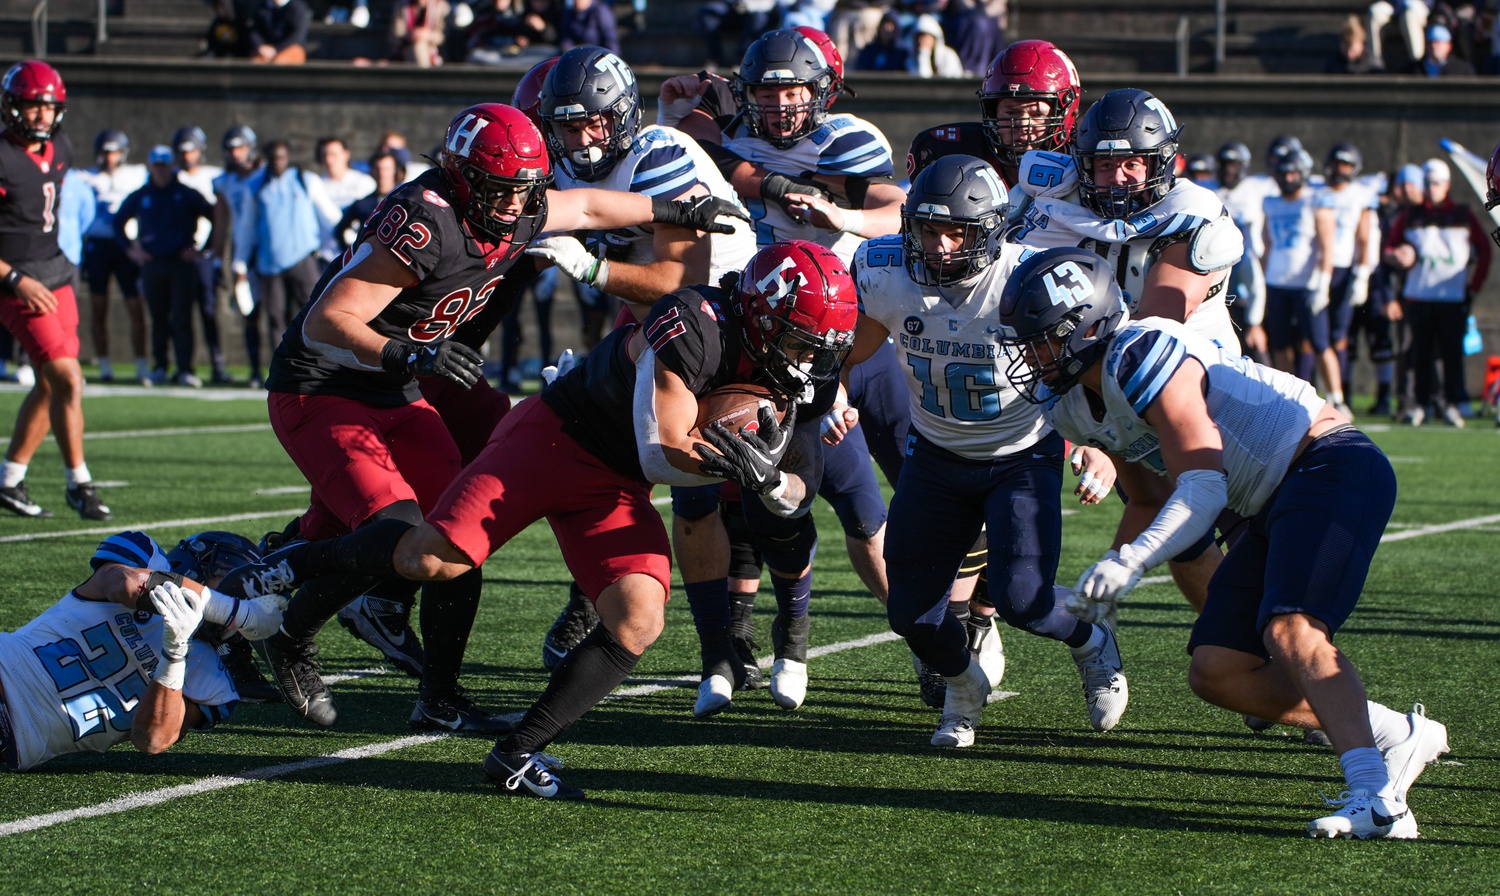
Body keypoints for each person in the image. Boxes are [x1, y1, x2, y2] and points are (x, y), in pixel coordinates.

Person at [223, 239, 855, 800]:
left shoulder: (806, 370)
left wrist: (772, 482)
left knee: (638, 618)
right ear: (763, 317)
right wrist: (743, 473)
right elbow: (659, 449)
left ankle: (515, 754)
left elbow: (800, 483)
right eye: (800, 341)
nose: (808, 360)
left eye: (820, 346)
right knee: (433, 559)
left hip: (613, 482)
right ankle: (283, 567)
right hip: (556, 440)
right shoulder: (694, 323)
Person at [235, 102, 747, 733]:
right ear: (459, 175)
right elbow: (326, 322)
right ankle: (290, 631)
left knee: (453, 536)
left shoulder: (519, 199)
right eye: (499, 190)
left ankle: (439, 694)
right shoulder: (426, 221)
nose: (513, 205)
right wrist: (406, 350)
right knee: (396, 531)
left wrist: (678, 211)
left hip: (395, 388)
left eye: (523, 190)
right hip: (324, 388)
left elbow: (588, 207)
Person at [996, 245, 1451, 839]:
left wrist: (1133, 560)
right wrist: (1111, 564)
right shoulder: (1073, 407)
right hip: (1270, 499)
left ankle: (1376, 798)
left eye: (1039, 339)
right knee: (1218, 671)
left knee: (1291, 629)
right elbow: (1150, 498)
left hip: (1328, 464)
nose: (1027, 356)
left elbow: (1204, 487)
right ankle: (1394, 734)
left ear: (1083, 327)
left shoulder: (1141, 354)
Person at [838, 155, 1127, 746]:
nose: (941, 247)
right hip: (936, 455)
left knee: (1023, 600)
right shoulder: (886, 270)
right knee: (910, 614)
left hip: (1021, 453)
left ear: (991, 230)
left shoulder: (1027, 278)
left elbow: (1089, 364)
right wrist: (836, 393)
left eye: (958, 232)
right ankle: (965, 689)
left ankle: (1092, 640)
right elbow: (854, 352)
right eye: (928, 229)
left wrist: (1100, 446)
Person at [1007, 87, 1245, 613]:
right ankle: (1234, 637)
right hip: (1097, 381)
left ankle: (1265, 648)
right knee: (1182, 535)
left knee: (1248, 536)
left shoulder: (1192, 214)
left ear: (1161, 161)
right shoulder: (1052, 202)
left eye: (1133, 163)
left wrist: (1101, 430)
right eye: (1104, 163)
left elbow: (1155, 334)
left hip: (1204, 390)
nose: (1117, 178)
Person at [0, 530, 285, 771]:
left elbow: (153, 740)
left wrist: (174, 655)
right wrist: (235, 611)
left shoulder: (216, 681)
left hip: (15, 738)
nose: (229, 589)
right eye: (223, 575)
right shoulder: (143, 556)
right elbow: (122, 581)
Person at [0, 61, 110, 522]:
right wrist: (13, 279)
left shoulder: (59, 146)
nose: (42, 115)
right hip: (16, 279)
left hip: (56, 272)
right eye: (33, 104)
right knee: (67, 377)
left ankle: (8, 480)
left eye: (49, 105)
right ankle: (79, 482)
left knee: (52, 381)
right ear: (13, 106)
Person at [1383, 157, 1490, 426]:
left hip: (1452, 297)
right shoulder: (1411, 216)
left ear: (1447, 185)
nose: (1432, 188)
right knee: (1420, 353)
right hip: (1418, 296)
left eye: (1437, 183)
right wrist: (1397, 256)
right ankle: (1420, 404)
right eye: (1428, 183)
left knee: (1451, 353)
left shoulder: (1463, 215)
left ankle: (1452, 403)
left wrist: (1472, 288)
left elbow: (1485, 251)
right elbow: (1388, 249)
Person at [906, 40, 1082, 196]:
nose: (1022, 125)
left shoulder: (1085, 166)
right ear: (993, 113)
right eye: (1011, 113)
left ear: (1065, 113)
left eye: (1036, 114)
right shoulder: (961, 155)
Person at [232, 140, 340, 378]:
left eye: (281, 158)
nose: (277, 163)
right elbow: (246, 227)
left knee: (313, 314)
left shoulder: (305, 180)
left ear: (288, 158)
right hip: (269, 265)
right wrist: (239, 262)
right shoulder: (255, 186)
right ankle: (283, 372)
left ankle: (318, 369)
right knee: (275, 319)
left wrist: (344, 244)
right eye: (273, 158)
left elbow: (330, 217)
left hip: (303, 260)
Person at [114, 146, 218, 389]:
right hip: (153, 264)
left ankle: (185, 369)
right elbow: (118, 222)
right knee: (158, 317)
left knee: (182, 317)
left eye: (165, 165)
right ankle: (160, 366)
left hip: (181, 264)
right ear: (151, 167)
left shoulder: (186, 193)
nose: (161, 170)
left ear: (172, 166)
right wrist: (132, 250)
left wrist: (201, 250)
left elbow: (214, 216)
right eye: (157, 165)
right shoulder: (142, 194)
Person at [1260, 146, 1349, 413]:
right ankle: (1285, 396)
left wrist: (1322, 284)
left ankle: (1337, 397)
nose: (1288, 178)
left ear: (1303, 174)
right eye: (1284, 173)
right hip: (1277, 282)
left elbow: (1326, 247)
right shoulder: (1271, 202)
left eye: (1293, 173)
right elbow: (1267, 245)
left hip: (1308, 284)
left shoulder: (1317, 199)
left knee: (1320, 342)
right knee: (1280, 343)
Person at [77, 129, 149, 386]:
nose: (109, 158)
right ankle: (104, 363)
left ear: (123, 153)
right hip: (98, 245)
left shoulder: (137, 175)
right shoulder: (85, 177)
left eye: (114, 152)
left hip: (127, 247)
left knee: (135, 306)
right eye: (106, 152)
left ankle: (142, 364)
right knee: (98, 307)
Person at [1317, 143, 1380, 409]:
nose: (1340, 170)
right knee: (1312, 338)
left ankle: (1341, 393)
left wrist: (1362, 273)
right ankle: (1318, 392)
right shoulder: (1316, 192)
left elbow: (1365, 238)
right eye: (1338, 164)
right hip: (1318, 271)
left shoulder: (1360, 195)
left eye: (1346, 165)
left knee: (1339, 336)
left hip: (1344, 268)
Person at [172, 126, 229, 385]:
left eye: (191, 150)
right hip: (180, 257)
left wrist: (208, 249)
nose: (186, 156)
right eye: (182, 151)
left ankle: (217, 365)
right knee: (180, 314)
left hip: (206, 255)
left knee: (209, 312)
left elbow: (219, 218)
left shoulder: (214, 178)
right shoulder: (170, 179)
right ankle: (184, 366)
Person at [211, 125, 264, 386]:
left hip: (266, 249)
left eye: (240, 148)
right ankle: (255, 370)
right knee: (249, 311)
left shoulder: (265, 176)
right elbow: (221, 223)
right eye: (231, 149)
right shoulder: (225, 182)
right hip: (242, 252)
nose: (235, 153)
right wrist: (219, 258)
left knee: (282, 313)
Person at [335, 150, 404, 251]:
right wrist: (352, 254)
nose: (382, 173)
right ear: (371, 171)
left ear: (395, 171)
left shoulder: (406, 199)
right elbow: (339, 230)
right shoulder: (362, 204)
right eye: (378, 169)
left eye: (386, 169)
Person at [315, 137, 377, 222]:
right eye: (325, 155)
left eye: (334, 154)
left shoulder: (365, 183)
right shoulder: (316, 185)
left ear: (346, 154)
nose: (329, 160)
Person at [250, 0, 311, 64]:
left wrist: (276, 49)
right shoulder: (262, 6)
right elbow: (254, 31)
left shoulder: (298, 7)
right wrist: (260, 46)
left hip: (289, 47)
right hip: (266, 48)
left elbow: (297, 35)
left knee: (280, 63)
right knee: (257, 63)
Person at [1406, 22, 1476, 76]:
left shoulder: (1463, 70)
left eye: (1438, 42)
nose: (1433, 46)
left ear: (1448, 46)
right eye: (1430, 42)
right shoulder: (1412, 70)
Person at [907, 14, 964, 79]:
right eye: (918, 36)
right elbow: (922, 84)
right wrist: (923, 55)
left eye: (925, 36)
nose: (920, 40)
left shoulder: (948, 56)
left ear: (934, 38)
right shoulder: (911, 60)